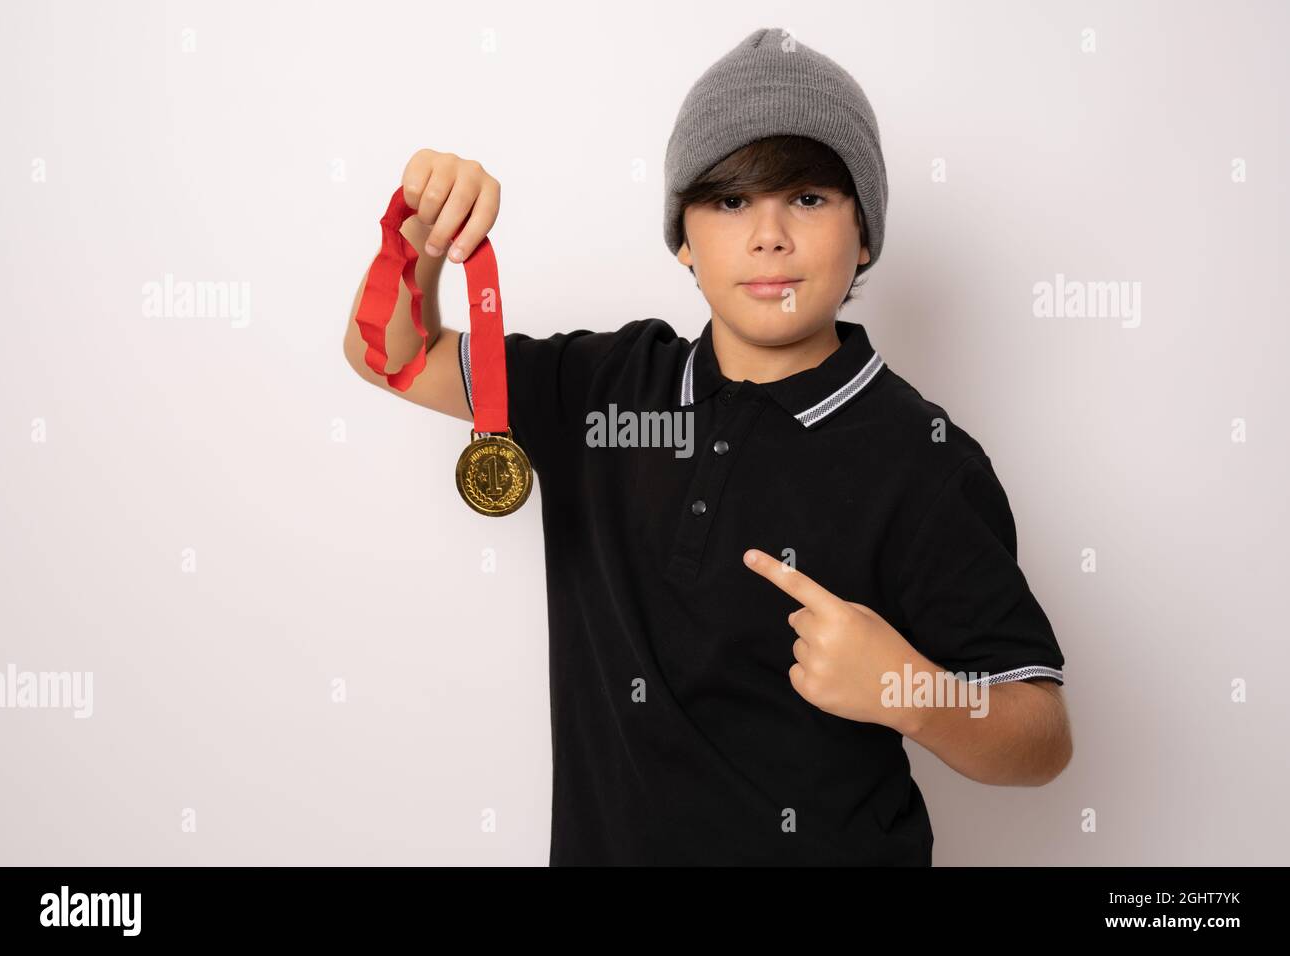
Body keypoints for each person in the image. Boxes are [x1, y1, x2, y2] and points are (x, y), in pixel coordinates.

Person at [343, 26, 1071, 866]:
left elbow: (1042, 735)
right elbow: (388, 356)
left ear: (865, 233)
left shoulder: (926, 458)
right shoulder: (600, 387)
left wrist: (912, 692)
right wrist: (423, 235)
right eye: (730, 200)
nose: (769, 235)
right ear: (683, 238)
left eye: (808, 198)